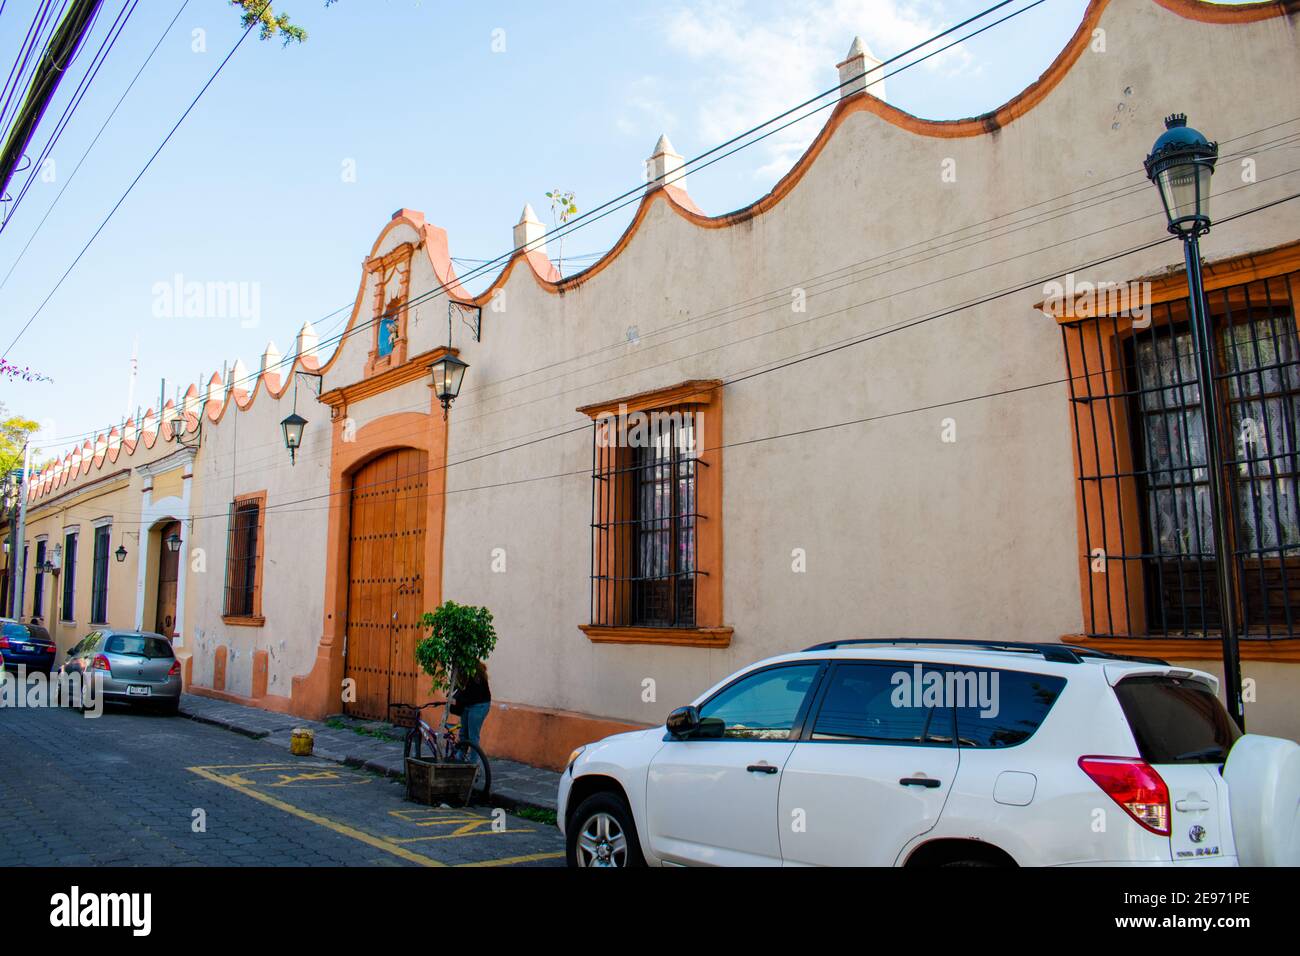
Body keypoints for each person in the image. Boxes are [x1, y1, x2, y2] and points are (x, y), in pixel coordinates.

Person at [450, 660, 491, 751]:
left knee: (473, 737)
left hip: (479, 706)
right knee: (463, 734)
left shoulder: (475, 674)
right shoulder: (462, 670)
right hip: (468, 704)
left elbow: (471, 693)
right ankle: (460, 759)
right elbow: (461, 689)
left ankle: (472, 763)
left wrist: (456, 698)